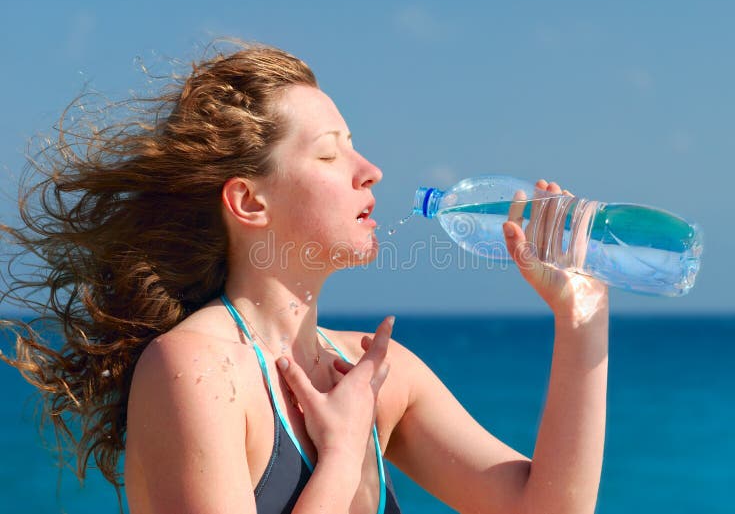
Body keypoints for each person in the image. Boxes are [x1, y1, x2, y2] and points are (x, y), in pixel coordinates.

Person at [1, 42, 608, 514]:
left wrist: (580, 316)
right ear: (249, 202)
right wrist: (342, 457)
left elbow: (550, 505)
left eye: (355, 147)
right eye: (327, 154)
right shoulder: (195, 371)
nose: (369, 171)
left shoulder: (378, 375)